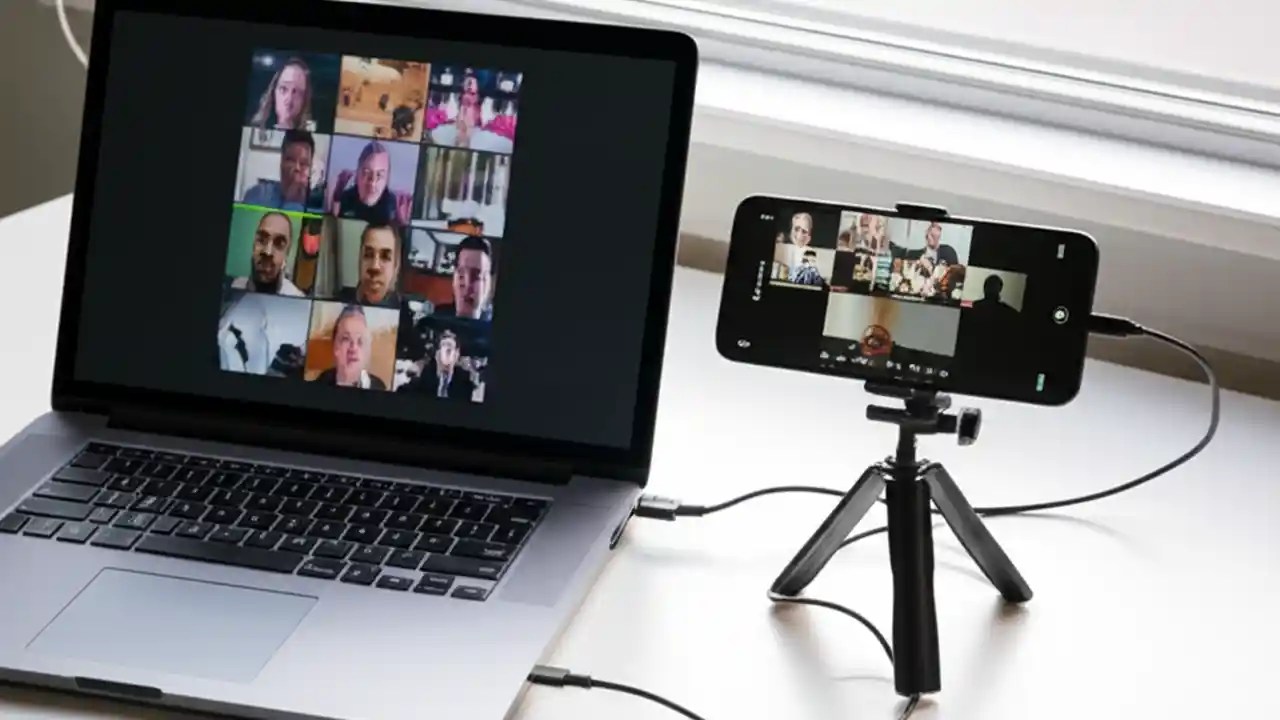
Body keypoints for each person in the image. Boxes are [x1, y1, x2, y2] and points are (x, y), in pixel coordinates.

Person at [330, 141, 412, 226]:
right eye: (367, 173)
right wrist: (337, 195)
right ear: (357, 173)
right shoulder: (345, 198)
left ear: (387, 178)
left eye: (379, 175)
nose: (373, 182)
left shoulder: (394, 206)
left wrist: (403, 224)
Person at [312, 305, 387, 389]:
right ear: (335, 346)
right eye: (346, 339)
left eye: (360, 340)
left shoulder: (379, 387)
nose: (353, 348)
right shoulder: (321, 382)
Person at [241, 131, 319, 211]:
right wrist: (293, 203)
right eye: (290, 160)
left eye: (303, 163)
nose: (297, 168)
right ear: (281, 161)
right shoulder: (258, 195)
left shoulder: (319, 205)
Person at [230, 212, 304, 296]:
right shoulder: (234, 288)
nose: (268, 252)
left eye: (279, 243)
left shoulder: (297, 299)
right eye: (261, 239)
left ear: (287, 254)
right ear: (253, 244)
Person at [340, 224, 402, 308]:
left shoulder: (403, 310)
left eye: (385, 257)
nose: (375, 266)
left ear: (396, 266)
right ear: (359, 260)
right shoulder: (338, 302)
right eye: (368, 255)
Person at [433, 236, 494, 320]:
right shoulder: (436, 321)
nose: (467, 284)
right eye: (461, 275)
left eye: (476, 276)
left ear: (488, 283)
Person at [251, 57, 314, 131]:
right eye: (283, 88)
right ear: (273, 92)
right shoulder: (254, 130)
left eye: (297, 92)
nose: (289, 99)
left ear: (304, 100)